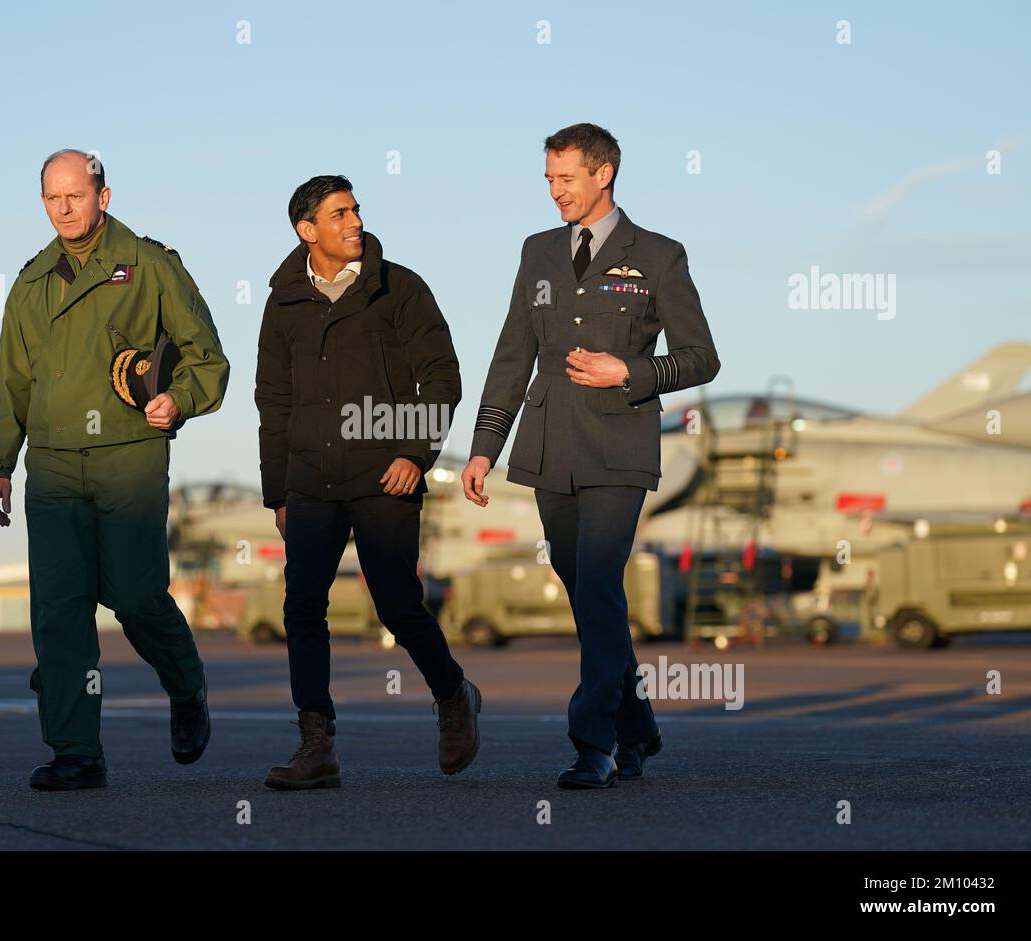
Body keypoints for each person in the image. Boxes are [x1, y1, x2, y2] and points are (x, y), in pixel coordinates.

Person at [462, 124, 720, 788]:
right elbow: (512, 353)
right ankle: (638, 728)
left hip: (620, 445)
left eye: (566, 178)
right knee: (586, 596)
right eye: (549, 179)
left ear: (603, 175)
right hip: (549, 446)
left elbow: (701, 358)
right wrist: (484, 447)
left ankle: (593, 742)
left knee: (600, 585)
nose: (555, 192)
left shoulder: (660, 256)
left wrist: (628, 372)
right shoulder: (537, 252)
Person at [0, 149, 230, 790]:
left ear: (104, 197)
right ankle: (77, 753)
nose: (64, 208)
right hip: (55, 463)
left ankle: (186, 685)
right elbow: (12, 380)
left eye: (76, 196)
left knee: (138, 596)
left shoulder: (150, 266)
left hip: (129, 455)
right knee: (58, 611)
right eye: (52, 199)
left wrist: (180, 400)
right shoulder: (32, 282)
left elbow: (209, 359)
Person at [254, 174, 481, 789]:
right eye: (339, 214)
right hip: (309, 481)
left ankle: (454, 695)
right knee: (302, 607)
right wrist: (277, 489)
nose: (354, 222)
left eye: (355, 210)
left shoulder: (399, 289)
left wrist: (415, 453)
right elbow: (272, 400)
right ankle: (316, 744)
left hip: (386, 476)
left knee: (398, 604)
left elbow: (440, 377)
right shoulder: (283, 301)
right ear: (308, 230)